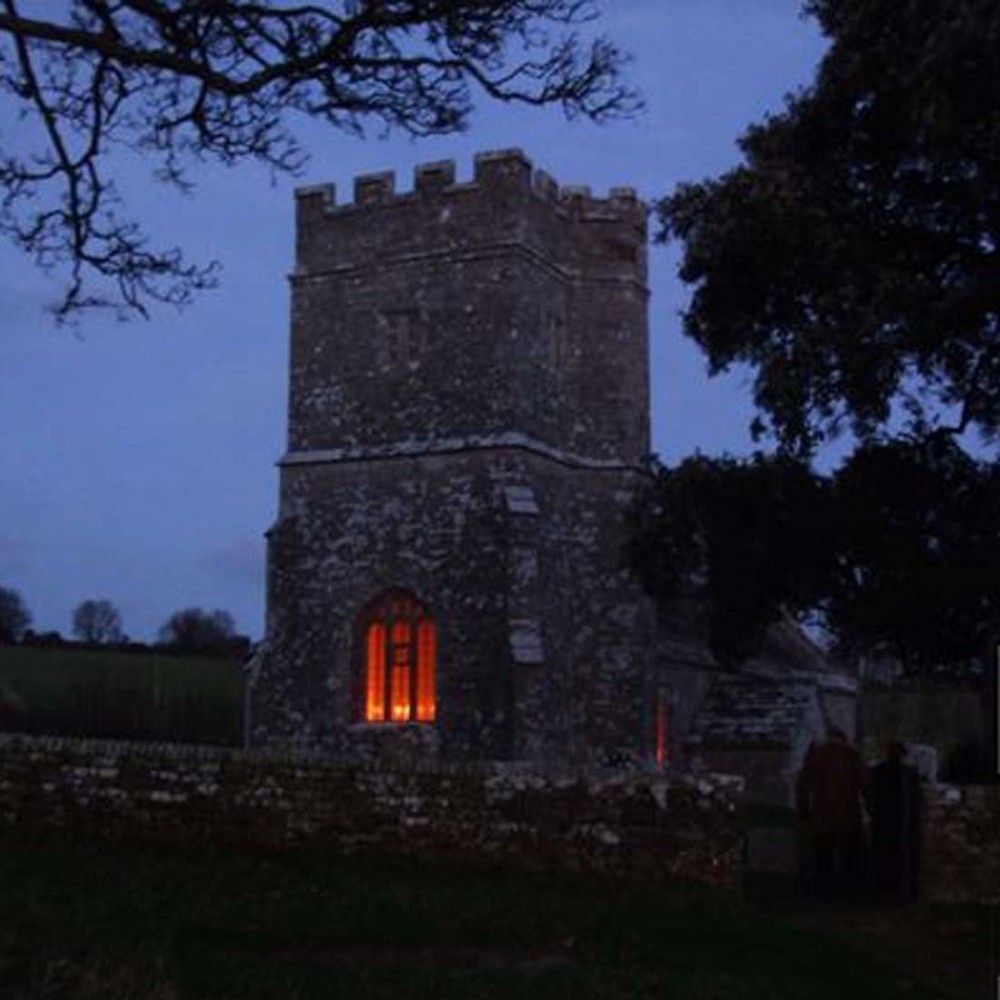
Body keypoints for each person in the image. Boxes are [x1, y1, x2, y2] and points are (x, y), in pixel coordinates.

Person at [796, 726, 869, 901]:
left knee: (823, 856)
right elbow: (865, 784)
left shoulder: (816, 756)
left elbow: (803, 785)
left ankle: (823, 892)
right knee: (850, 856)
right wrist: (872, 807)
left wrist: (803, 810)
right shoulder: (851, 755)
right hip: (848, 814)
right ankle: (849, 892)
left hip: (822, 815)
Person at [869, 739, 922, 904]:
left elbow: (871, 794)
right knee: (898, 858)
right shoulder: (908, 773)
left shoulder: (878, 771)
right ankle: (898, 892)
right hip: (900, 822)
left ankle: (885, 892)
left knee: (885, 858)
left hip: (884, 820)